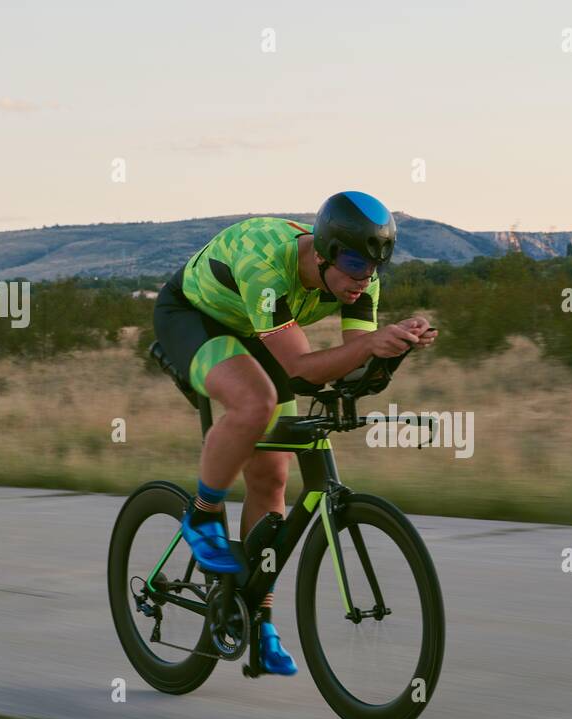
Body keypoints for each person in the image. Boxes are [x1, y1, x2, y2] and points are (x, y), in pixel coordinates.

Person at [152, 191, 438, 675]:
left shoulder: (360, 280)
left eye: (373, 268)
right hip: (195, 317)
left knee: (272, 477)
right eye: (354, 265)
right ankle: (201, 515)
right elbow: (301, 370)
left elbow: (352, 364)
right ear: (324, 252)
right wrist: (370, 344)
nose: (363, 279)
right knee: (256, 403)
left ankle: (258, 621)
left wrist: (394, 347)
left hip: (259, 329)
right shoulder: (268, 264)